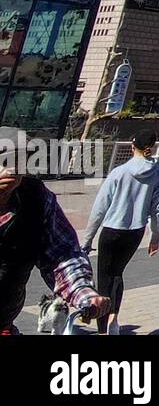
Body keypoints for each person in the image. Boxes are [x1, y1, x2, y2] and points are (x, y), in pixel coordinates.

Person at [1, 133, 108, 335]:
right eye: (5, 161)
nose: (13, 170)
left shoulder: (36, 199)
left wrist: (82, 292)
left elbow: (62, 253)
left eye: (21, 161)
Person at [81, 130, 159, 334]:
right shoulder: (158, 173)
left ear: (132, 147)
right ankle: (114, 319)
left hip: (112, 229)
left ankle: (103, 326)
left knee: (104, 276)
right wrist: (155, 237)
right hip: (136, 231)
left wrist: (88, 239)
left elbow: (100, 208)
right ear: (153, 147)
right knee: (117, 274)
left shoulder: (119, 172)